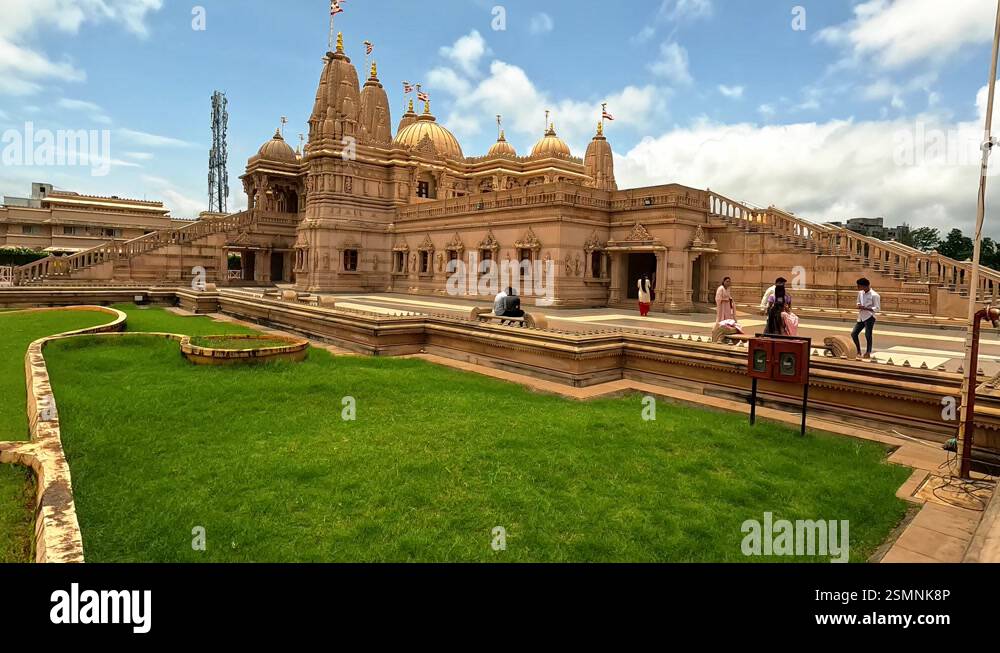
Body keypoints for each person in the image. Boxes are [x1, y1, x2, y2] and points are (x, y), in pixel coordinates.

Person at [852, 278, 880, 360]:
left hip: (870, 317)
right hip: (861, 316)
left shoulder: (875, 295)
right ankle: (858, 351)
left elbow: (877, 308)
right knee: (854, 333)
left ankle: (868, 352)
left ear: (864, 286)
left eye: (859, 286)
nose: (857, 287)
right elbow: (858, 301)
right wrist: (859, 305)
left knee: (868, 334)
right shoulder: (860, 293)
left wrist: (866, 308)